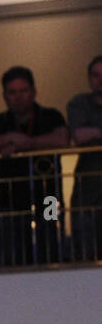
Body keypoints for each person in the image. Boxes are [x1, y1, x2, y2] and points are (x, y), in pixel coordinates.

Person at [0, 67, 68, 266]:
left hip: (49, 198)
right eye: (12, 92)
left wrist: (27, 144)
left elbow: (63, 139)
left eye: (23, 91)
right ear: (4, 96)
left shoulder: (51, 116)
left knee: (50, 253)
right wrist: (7, 138)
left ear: (33, 92)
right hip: (11, 201)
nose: (18, 97)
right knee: (13, 260)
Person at [67, 55, 102, 261]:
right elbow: (79, 135)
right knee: (85, 254)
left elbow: (86, 134)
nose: (100, 80)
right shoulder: (79, 103)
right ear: (89, 78)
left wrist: (95, 133)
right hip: (87, 190)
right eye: (96, 75)